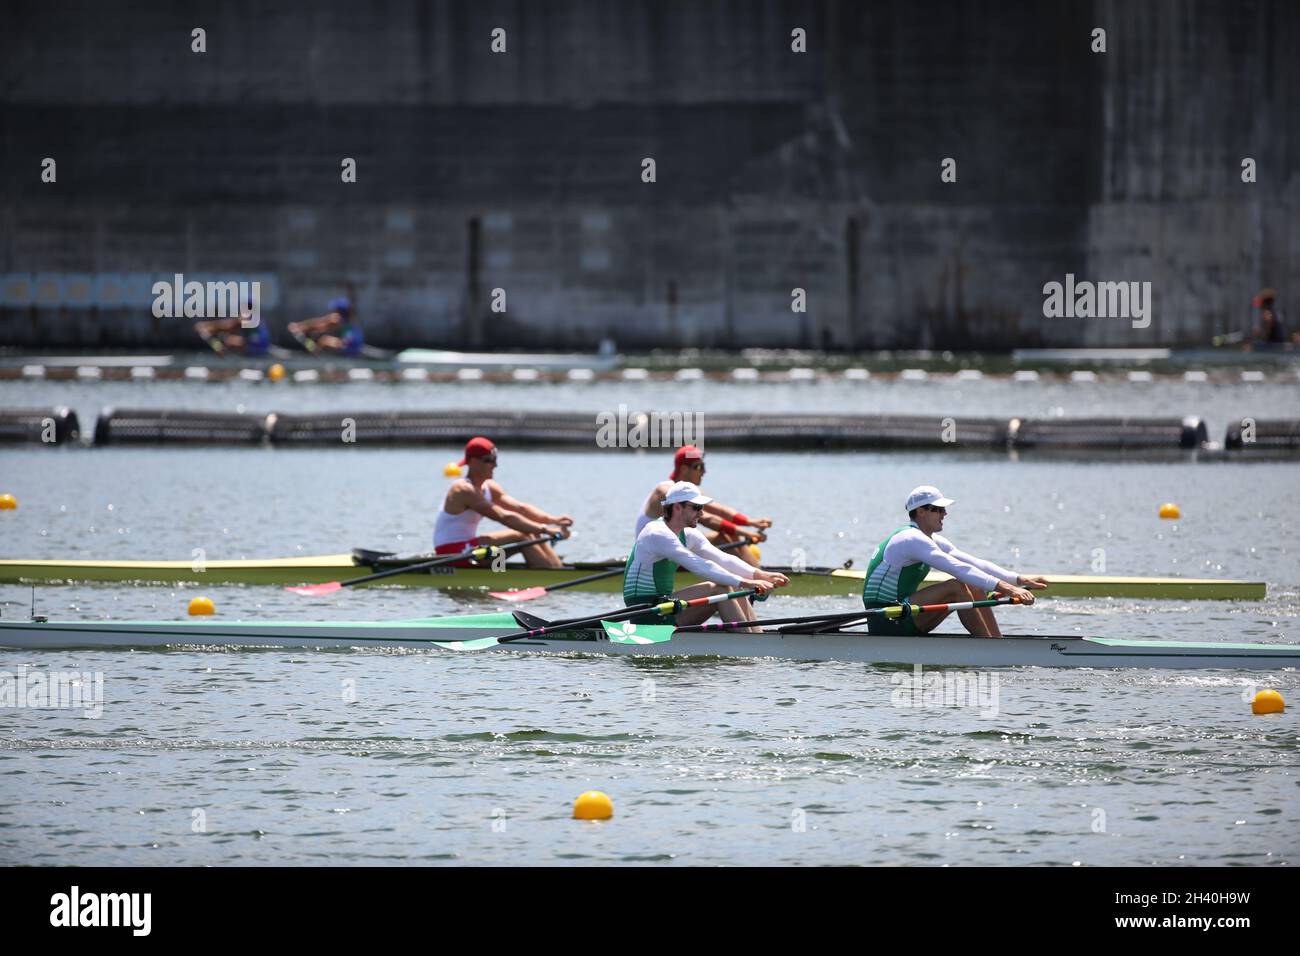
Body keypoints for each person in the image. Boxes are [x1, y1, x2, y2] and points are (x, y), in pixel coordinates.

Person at [861, 486, 1046, 637]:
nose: (945, 513)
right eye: (939, 509)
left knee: (973, 584)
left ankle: (996, 641)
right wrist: (1010, 590)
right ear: (921, 511)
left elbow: (974, 564)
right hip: (886, 618)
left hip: (903, 612)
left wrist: (1019, 580)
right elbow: (957, 569)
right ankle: (989, 648)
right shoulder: (910, 539)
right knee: (955, 587)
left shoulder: (930, 540)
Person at [622, 481, 788, 630]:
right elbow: (700, 566)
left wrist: (761, 575)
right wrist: (748, 582)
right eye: (696, 507)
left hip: (664, 605)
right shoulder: (657, 533)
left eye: (701, 508)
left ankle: (755, 638)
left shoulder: (687, 534)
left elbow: (722, 558)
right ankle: (750, 646)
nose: (701, 513)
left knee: (732, 582)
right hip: (645, 612)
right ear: (677, 507)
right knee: (719, 587)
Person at [433, 437, 572, 568]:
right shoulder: (463, 489)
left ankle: (557, 570)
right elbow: (504, 517)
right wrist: (547, 530)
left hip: (470, 548)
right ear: (473, 462)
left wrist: (553, 520)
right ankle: (547, 576)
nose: (495, 465)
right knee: (522, 534)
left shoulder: (489, 487)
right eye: (489, 460)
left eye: (495, 459)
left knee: (532, 530)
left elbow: (520, 508)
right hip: (451, 553)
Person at [634, 445, 772, 567]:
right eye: (698, 467)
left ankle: (755, 576)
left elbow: (719, 510)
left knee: (730, 535)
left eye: (703, 466)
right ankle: (757, 580)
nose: (704, 472)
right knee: (723, 536)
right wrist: (746, 533)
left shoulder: (690, 492)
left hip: (673, 546)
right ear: (683, 469)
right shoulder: (666, 492)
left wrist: (750, 522)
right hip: (654, 553)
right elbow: (707, 519)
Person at [194, 295, 270, 355]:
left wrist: (205, 326)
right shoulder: (255, 317)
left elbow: (227, 326)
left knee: (228, 340)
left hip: (254, 346)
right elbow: (230, 328)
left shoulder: (246, 317)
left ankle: (223, 353)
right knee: (228, 338)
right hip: (260, 345)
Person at [288, 297, 364, 355]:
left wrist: (299, 327)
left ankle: (312, 353)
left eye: (334, 310)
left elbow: (318, 323)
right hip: (355, 349)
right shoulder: (350, 321)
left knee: (323, 341)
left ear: (339, 311)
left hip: (346, 348)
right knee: (318, 337)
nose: (332, 312)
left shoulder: (336, 319)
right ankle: (312, 349)